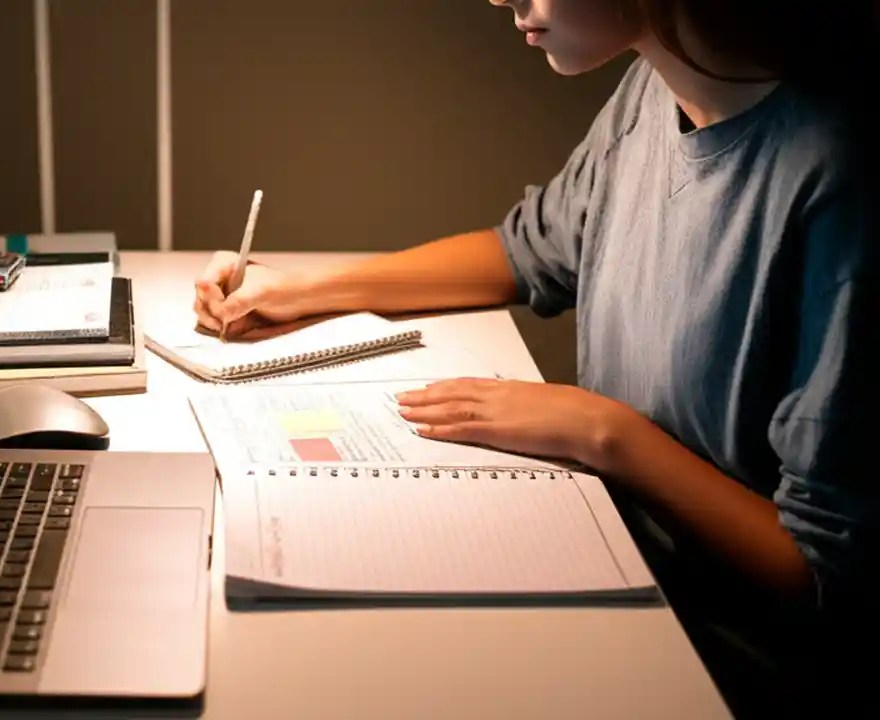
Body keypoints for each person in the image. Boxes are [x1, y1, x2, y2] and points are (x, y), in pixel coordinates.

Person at [193, 1, 877, 715]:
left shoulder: (838, 178)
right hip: (617, 573)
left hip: (718, 666)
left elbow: (821, 576)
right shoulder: (653, 89)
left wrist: (602, 434)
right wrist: (308, 287)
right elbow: (531, 251)